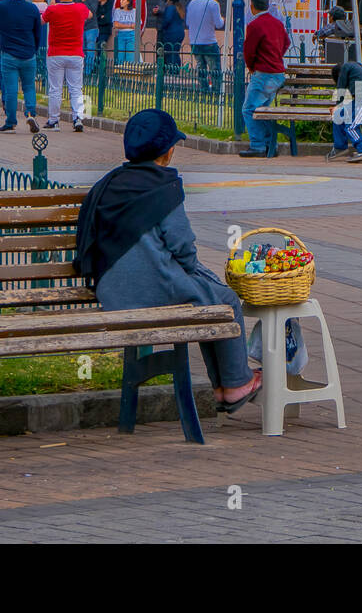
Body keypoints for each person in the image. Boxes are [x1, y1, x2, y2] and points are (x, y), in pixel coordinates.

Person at [73, 109, 262, 413]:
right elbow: (182, 246)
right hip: (152, 289)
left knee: (206, 297)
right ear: (167, 152)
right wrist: (191, 275)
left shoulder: (110, 184)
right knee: (224, 300)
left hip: (110, 292)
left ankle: (223, 386)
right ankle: (235, 383)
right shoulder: (163, 187)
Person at [240, 0, 290, 159]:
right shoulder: (277, 23)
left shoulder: (254, 25)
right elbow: (287, 42)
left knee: (248, 109)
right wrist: (276, 56)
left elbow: (249, 51)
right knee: (263, 109)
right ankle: (270, 145)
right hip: (278, 74)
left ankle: (258, 145)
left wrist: (252, 67)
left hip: (264, 73)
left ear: (252, 5)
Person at [0, 0, 43, 134]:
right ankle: (30, 114)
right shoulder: (32, 8)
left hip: (9, 53)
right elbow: (37, 32)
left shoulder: (0, 7)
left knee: (10, 89)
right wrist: (33, 48)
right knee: (29, 87)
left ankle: (11, 122)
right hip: (28, 52)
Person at [41, 0, 90, 131]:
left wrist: (51, 5)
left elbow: (42, 21)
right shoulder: (81, 8)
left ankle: (54, 120)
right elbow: (90, 15)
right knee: (76, 88)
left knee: (55, 89)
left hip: (56, 53)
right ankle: (78, 118)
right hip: (76, 53)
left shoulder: (53, 10)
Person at [327, 60, 362, 163]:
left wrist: (338, 104)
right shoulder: (356, 70)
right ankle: (340, 147)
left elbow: (340, 88)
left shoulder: (345, 67)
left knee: (351, 126)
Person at [185, 0, 225, 93]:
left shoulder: (192, 2)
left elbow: (188, 22)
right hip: (209, 42)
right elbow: (219, 24)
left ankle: (204, 90)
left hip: (194, 41)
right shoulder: (214, 4)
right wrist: (223, 19)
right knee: (214, 69)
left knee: (201, 69)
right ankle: (217, 92)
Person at [158, 0, 185, 71]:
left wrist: (162, 27)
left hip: (171, 33)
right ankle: (176, 70)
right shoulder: (179, 7)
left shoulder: (170, 8)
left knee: (170, 53)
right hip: (179, 32)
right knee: (175, 52)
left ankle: (172, 72)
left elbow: (167, 20)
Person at [79, 0, 100, 77]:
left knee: (90, 49)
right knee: (81, 49)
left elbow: (92, 11)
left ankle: (88, 71)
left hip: (91, 27)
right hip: (81, 27)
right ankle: (81, 70)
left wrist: (84, 1)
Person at [112, 0, 137, 64]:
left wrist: (122, 25)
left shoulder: (134, 11)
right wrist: (129, 26)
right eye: (120, 0)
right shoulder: (118, 11)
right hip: (121, 34)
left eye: (123, 0)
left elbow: (136, 25)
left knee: (130, 55)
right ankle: (120, 73)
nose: (120, 2)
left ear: (128, 2)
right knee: (120, 55)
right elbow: (116, 24)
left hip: (131, 35)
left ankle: (128, 73)